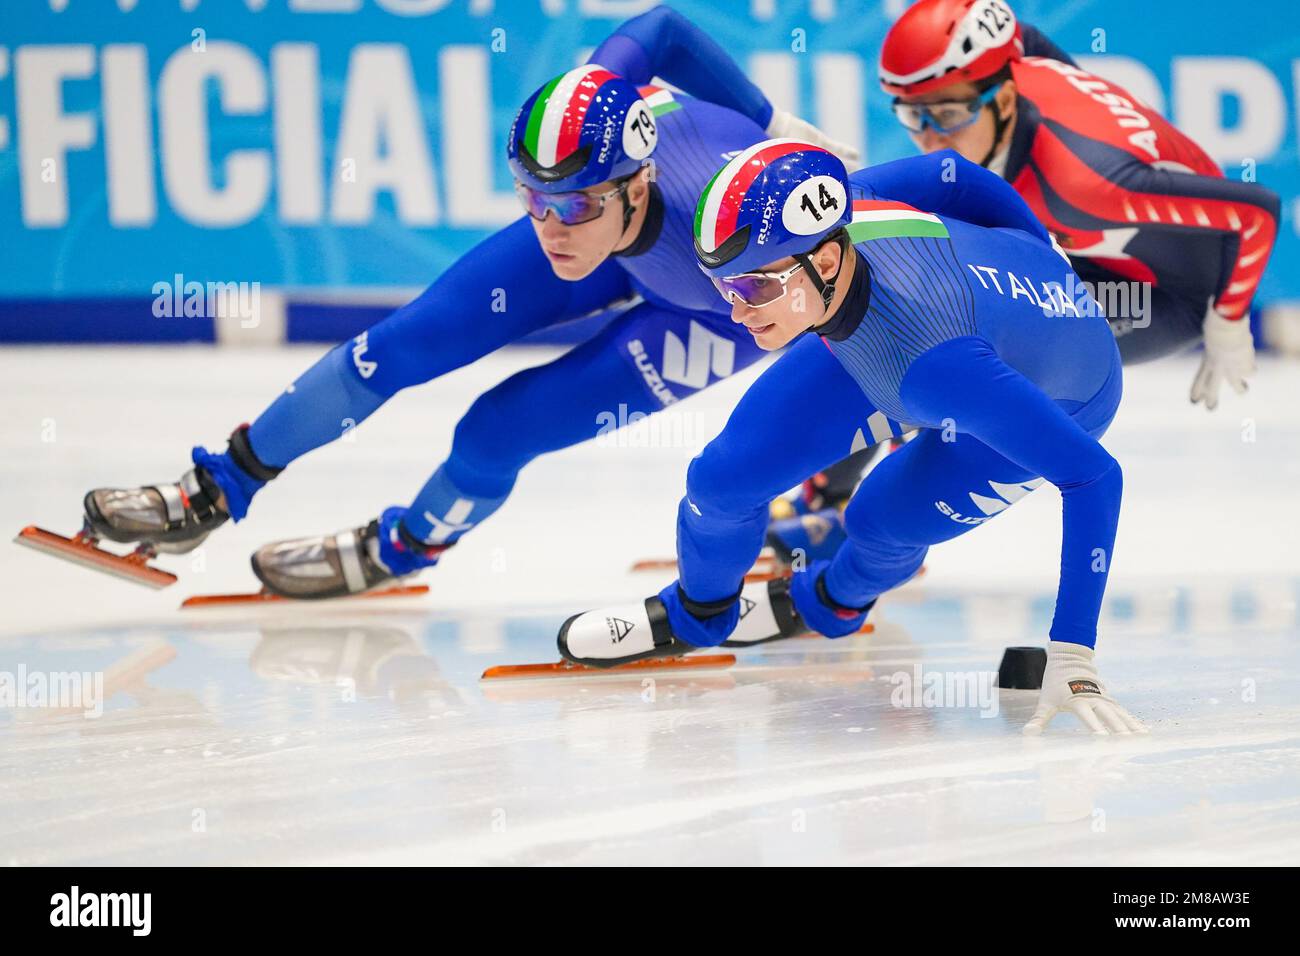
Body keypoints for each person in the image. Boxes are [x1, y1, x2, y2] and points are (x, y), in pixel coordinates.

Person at [75, 30, 857, 599]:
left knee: (496, 431)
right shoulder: (586, 176)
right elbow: (663, 27)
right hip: (629, 249)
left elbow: (867, 328)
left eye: (574, 203)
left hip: (708, 308)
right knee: (401, 345)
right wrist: (767, 113)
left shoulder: (740, 233)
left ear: (638, 180)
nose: (552, 225)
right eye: (534, 198)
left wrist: (841, 481)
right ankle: (214, 490)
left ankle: (402, 548)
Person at [560, 141, 1145, 735]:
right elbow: (956, 175)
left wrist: (1074, 653)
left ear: (829, 261)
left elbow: (1095, 476)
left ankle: (831, 602)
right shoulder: (839, 210)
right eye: (724, 287)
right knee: (721, 479)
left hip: (1054, 388)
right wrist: (1032, 245)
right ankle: (696, 614)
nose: (737, 312)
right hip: (891, 339)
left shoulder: (940, 367)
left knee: (876, 521)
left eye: (755, 289)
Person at [879, 0, 1280, 405]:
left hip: (1169, 297)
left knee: (995, 346)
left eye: (947, 115)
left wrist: (1228, 322)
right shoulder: (1018, 56)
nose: (930, 139)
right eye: (914, 117)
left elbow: (1255, 212)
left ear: (1003, 102)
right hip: (1091, 244)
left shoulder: (1087, 184)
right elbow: (1021, 31)